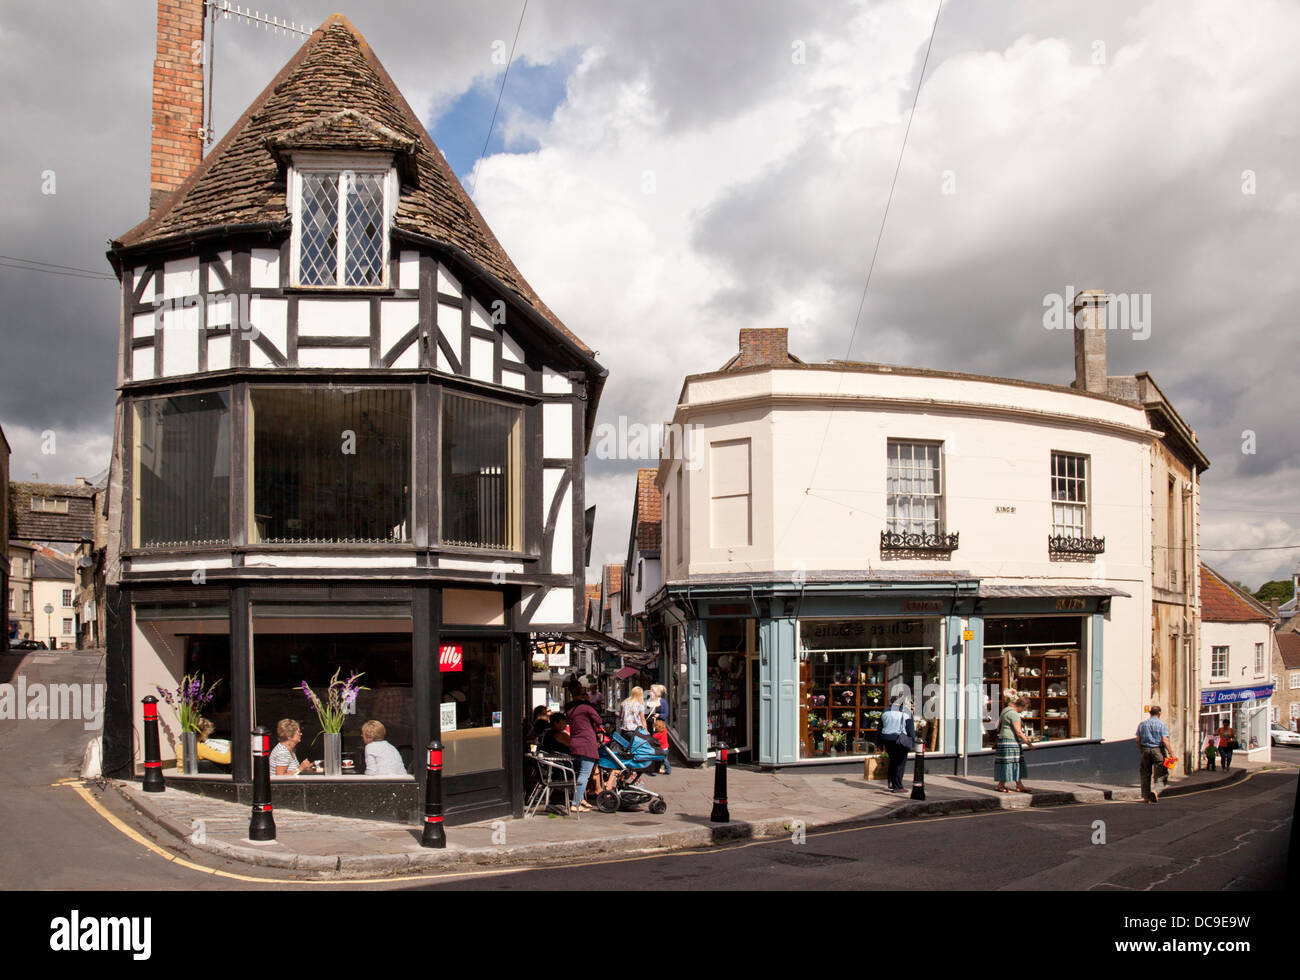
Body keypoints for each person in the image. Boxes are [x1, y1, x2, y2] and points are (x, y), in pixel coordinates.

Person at [563, 680, 603, 812]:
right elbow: (599, 720)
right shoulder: (586, 707)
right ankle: (576, 803)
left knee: (580, 773)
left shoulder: (569, 707)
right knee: (585, 774)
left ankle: (580, 799)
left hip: (575, 742)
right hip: (587, 743)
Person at [994, 694, 1035, 793]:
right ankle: (1000, 786)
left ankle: (1019, 785)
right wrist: (1029, 744)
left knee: (1011, 763)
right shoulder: (1014, 714)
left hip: (1003, 740)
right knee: (1011, 763)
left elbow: (999, 726)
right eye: (1024, 709)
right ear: (1022, 706)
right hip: (1011, 741)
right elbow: (1019, 732)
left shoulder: (1006, 709)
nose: (1023, 711)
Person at [1137, 706, 1173, 803]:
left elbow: (1138, 740)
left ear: (1150, 713)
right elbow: (1165, 740)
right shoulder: (1162, 725)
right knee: (1161, 774)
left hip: (1145, 749)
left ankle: (1145, 797)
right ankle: (1155, 791)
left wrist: (1141, 750)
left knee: (1145, 774)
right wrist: (1171, 753)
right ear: (1159, 713)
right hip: (1158, 750)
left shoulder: (1142, 724)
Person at [879, 697, 915, 792]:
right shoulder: (906, 712)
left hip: (887, 739)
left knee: (892, 761)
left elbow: (879, 728)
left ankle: (891, 782)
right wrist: (912, 741)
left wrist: (877, 742)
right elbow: (910, 729)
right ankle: (898, 786)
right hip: (899, 740)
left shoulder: (884, 711)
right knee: (900, 763)